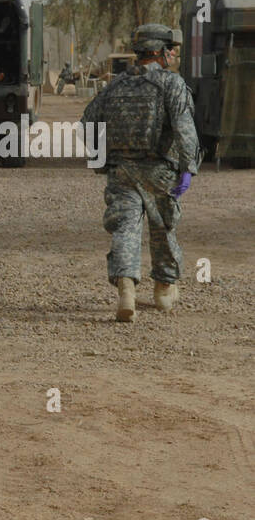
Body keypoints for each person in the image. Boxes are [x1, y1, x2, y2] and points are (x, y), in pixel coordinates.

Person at [82, 23, 199, 322]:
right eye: (170, 50)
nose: (173, 55)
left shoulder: (114, 86)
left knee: (125, 229)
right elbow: (185, 130)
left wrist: (100, 161)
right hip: (160, 172)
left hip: (121, 172)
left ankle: (126, 290)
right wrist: (188, 168)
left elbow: (88, 122)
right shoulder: (171, 84)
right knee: (163, 229)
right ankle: (163, 291)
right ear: (159, 52)